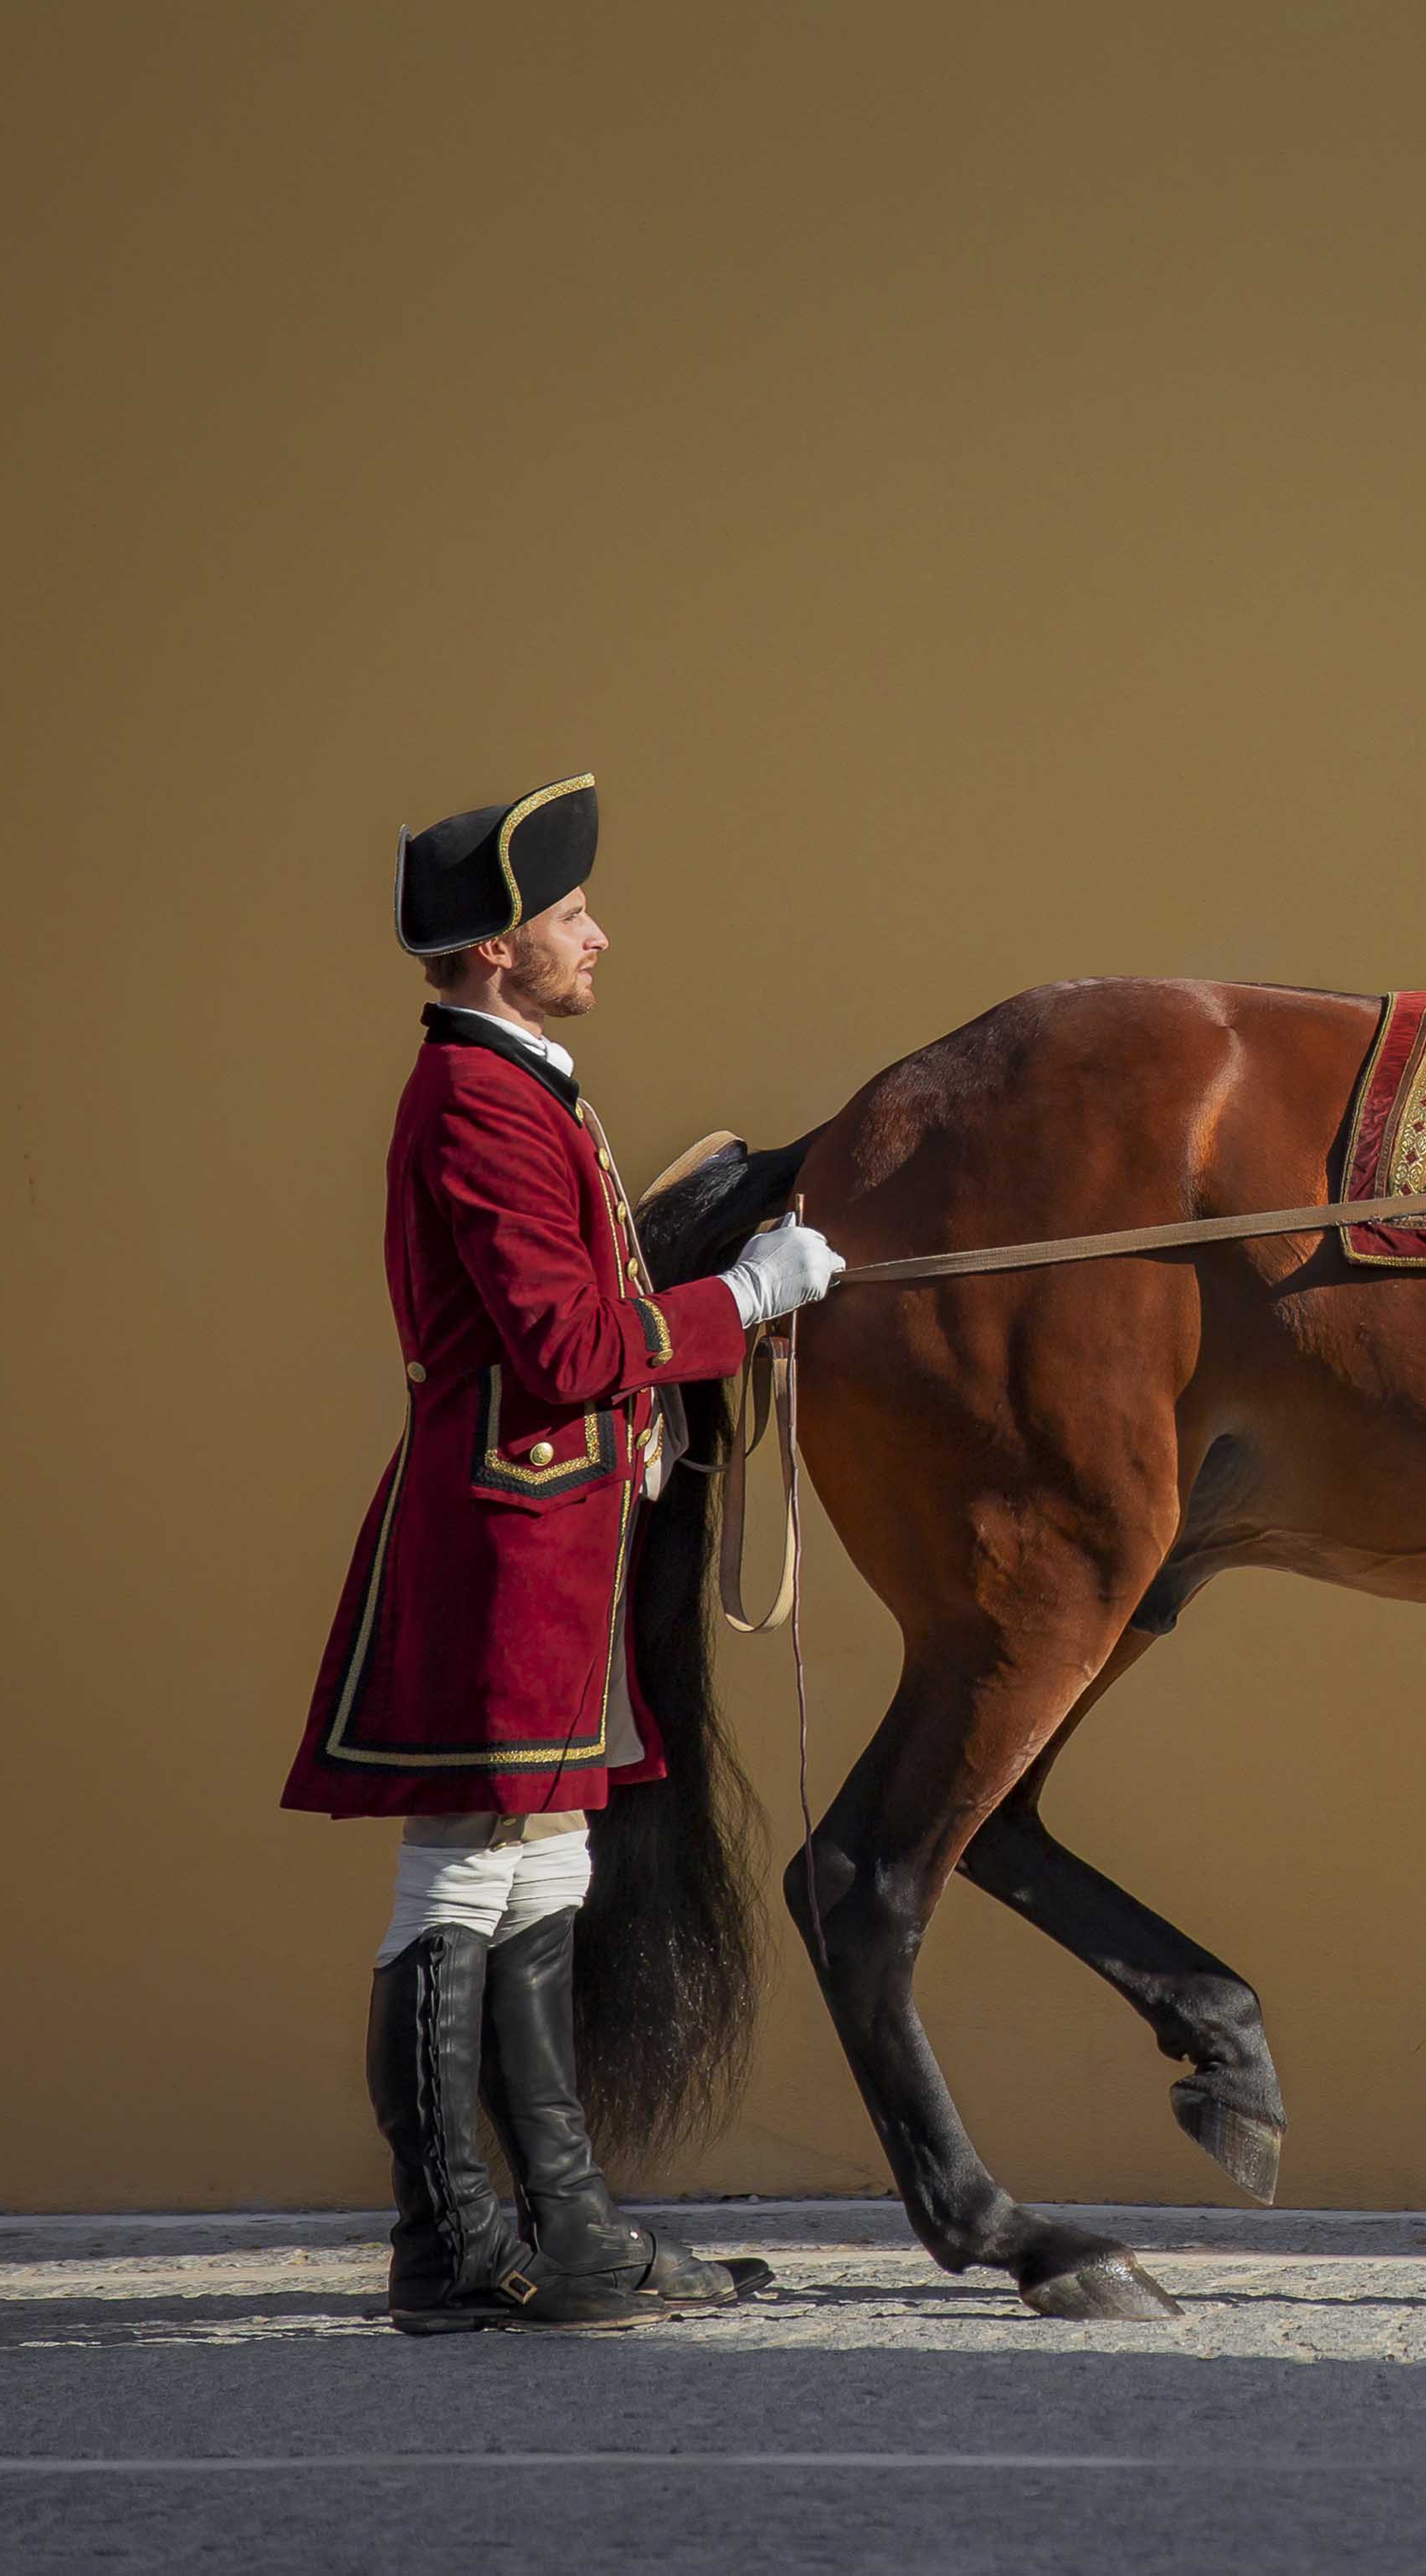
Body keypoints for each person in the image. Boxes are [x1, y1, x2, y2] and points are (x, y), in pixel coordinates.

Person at [281, 774, 844, 2332]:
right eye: (568, 915)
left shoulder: (522, 1077)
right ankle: (451, 2243)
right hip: (507, 1537)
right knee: (461, 1880)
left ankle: (564, 2229)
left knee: (542, 1869)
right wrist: (749, 1298)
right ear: (488, 950)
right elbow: (568, 1340)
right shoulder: (475, 1099)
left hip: (559, 1536)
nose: (597, 934)